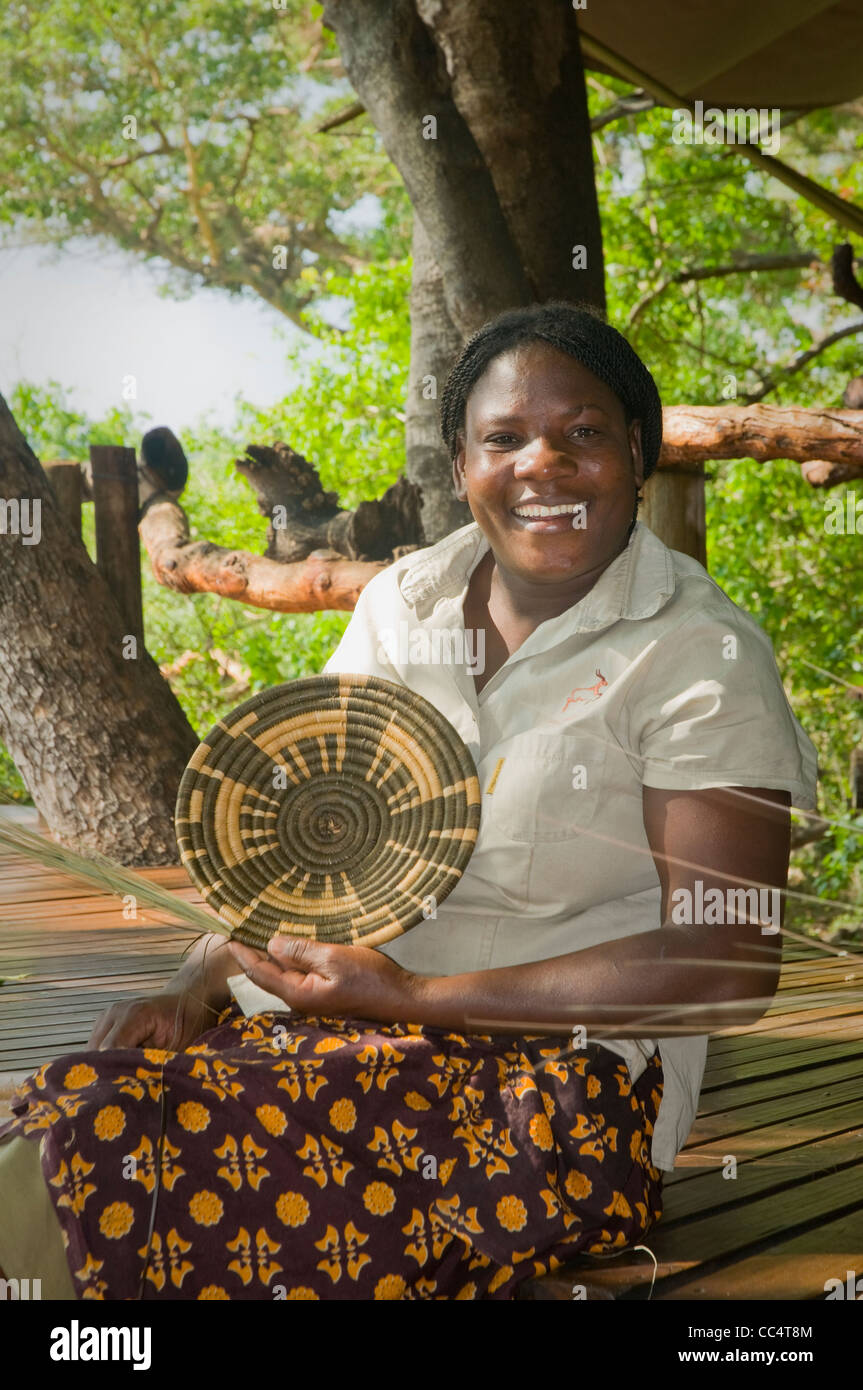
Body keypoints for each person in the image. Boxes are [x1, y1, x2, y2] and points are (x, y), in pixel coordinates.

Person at [0, 302, 817, 1301]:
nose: (541, 465)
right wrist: (203, 970)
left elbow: (723, 962)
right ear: (461, 463)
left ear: (636, 453)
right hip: (339, 1040)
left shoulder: (699, 650)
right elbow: (314, 848)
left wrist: (412, 998)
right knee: (74, 1099)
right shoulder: (406, 603)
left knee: (112, 1149)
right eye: (503, 438)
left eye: (582, 433)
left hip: (555, 1091)